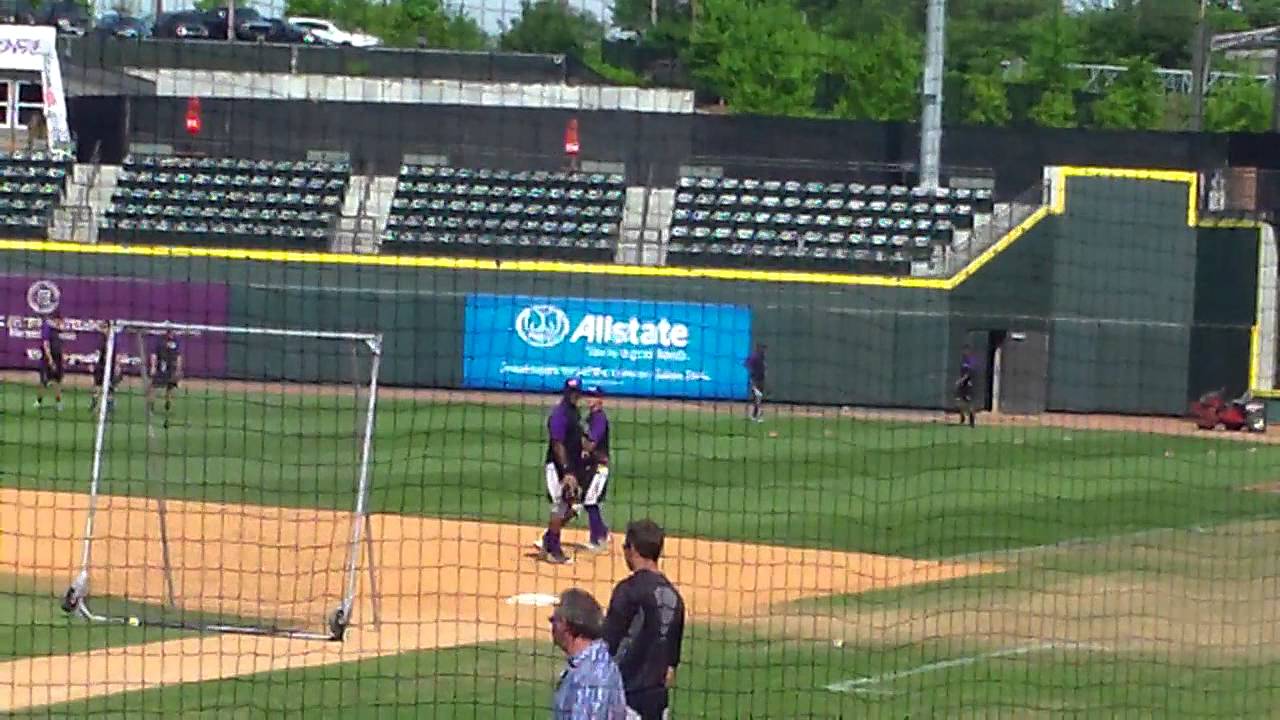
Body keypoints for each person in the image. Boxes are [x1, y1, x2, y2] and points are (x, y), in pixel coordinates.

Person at [604, 519, 686, 720]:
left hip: (627, 699)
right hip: (658, 702)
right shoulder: (675, 598)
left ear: (632, 548)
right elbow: (670, 671)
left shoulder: (628, 591)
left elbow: (606, 647)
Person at [550, 588, 628, 719]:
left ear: (564, 625)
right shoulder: (591, 662)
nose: (551, 625)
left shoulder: (590, 676)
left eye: (554, 620)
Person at [535, 377, 585, 564]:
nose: (574, 395)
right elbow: (557, 445)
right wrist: (566, 472)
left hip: (571, 468)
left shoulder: (574, 412)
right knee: (559, 507)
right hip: (557, 467)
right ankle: (553, 550)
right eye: (571, 392)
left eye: (577, 392)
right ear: (565, 392)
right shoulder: (559, 414)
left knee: (571, 506)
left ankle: (548, 541)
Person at [580, 385, 611, 553]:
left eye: (593, 396)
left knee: (590, 501)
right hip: (592, 466)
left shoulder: (599, 418)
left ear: (600, 399)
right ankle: (602, 533)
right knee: (589, 501)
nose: (589, 399)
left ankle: (598, 538)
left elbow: (591, 444)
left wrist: (577, 440)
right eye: (588, 396)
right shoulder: (590, 417)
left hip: (600, 467)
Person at [149, 328, 184, 424]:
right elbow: (154, 355)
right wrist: (153, 366)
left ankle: (167, 405)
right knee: (153, 387)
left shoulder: (175, 342)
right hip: (162, 368)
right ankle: (151, 407)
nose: (172, 334)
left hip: (170, 369)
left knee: (169, 388)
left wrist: (178, 370)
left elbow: (179, 357)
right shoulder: (161, 341)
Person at [88, 324, 122, 413]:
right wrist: (93, 364)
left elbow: (117, 355)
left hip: (110, 367)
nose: (105, 330)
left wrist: (117, 366)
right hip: (101, 367)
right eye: (103, 328)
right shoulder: (101, 340)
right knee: (97, 387)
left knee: (109, 387)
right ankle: (95, 405)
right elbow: (97, 354)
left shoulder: (113, 341)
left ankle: (108, 406)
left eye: (106, 328)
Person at [35, 310, 64, 411]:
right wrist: (50, 360)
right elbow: (46, 344)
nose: (60, 323)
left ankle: (59, 402)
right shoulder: (47, 328)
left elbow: (59, 345)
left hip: (57, 358)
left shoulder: (57, 330)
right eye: (59, 320)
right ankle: (38, 401)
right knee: (44, 381)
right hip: (48, 359)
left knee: (56, 381)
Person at [954, 344, 977, 428]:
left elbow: (969, 374)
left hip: (968, 385)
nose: (964, 353)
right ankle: (962, 417)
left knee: (969, 403)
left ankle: (972, 421)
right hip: (962, 385)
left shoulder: (972, 360)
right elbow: (962, 372)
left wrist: (961, 380)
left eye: (966, 351)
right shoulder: (963, 361)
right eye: (963, 351)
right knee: (958, 401)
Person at [744, 343, 767, 423]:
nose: (764, 351)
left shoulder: (761, 357)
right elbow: (746, 364)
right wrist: (752, 372)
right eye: (763, 349)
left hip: (760, 380)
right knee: (758, 398)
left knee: (758, 398)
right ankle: (758, 416)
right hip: (755, 380)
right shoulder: (754, 356)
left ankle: (755, 415)